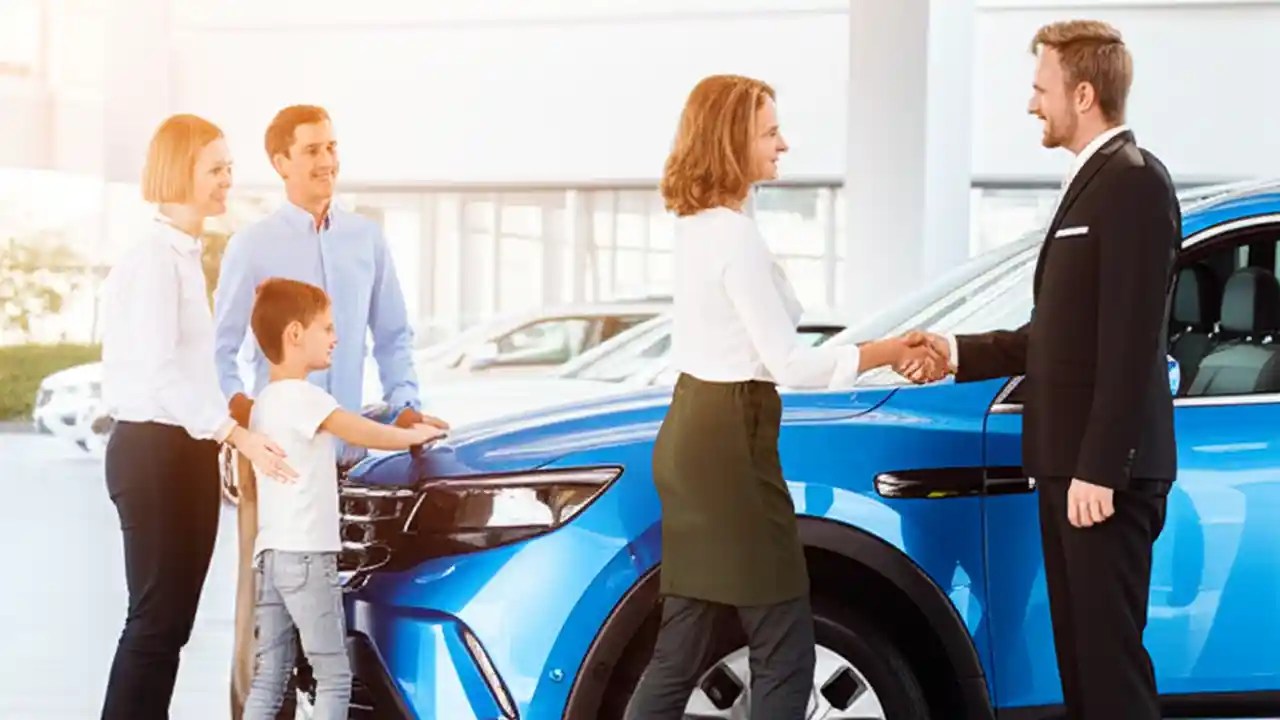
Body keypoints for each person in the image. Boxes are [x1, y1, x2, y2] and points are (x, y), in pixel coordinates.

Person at [622, 74, 943, 720]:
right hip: (731, 447)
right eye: (770, 132)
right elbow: (789, 363)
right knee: (785, 646)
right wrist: (887, 352)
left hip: (691, 432)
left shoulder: (701, 225)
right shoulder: (733, 235)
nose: (784, 144)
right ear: (732, 138)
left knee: (681, 645)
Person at [903, 20, 1179, 720]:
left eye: (1040, 88)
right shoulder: (1093, 183)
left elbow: (1131, 337)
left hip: (1101, 478)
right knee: (1082, 669)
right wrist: (956, 352)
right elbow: (1057, 337)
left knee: (1110, 673)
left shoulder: (1135, 183)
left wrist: (1101, 465)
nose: (1031, 105)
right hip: (1068, 469)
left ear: (1082, 94)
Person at [98, 114, 297, 720]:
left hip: (181, 452)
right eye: (216, 168)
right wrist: (233, 434)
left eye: (229, 167)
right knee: (156, 626)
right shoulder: (155, 260)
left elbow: (193, 374)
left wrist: (230, 429)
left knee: (171, 627)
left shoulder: (184, 257)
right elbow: (159, 376)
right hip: (153, 452)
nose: (227, 179)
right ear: (179, 172)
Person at [240, 277, 445, 720]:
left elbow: (353, 416)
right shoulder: (306, 397)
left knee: (270, 676)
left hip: (272, 556)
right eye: (327, 328)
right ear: (295, 334)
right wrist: (415, 435)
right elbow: (360, 432)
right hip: (308, 557)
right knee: (333, 675)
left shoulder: (267, 402)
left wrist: (394, 415)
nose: (336, 338)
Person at [213, 104, 447, 461]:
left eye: (331, 147)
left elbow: (393, 335)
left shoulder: (367, 238)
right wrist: (240, 407)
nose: (326, 161)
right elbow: (221, 348)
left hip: (352, 456)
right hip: (283, 453)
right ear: (281, 163)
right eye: (311, 151)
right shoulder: (250, 247)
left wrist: (404, 406)